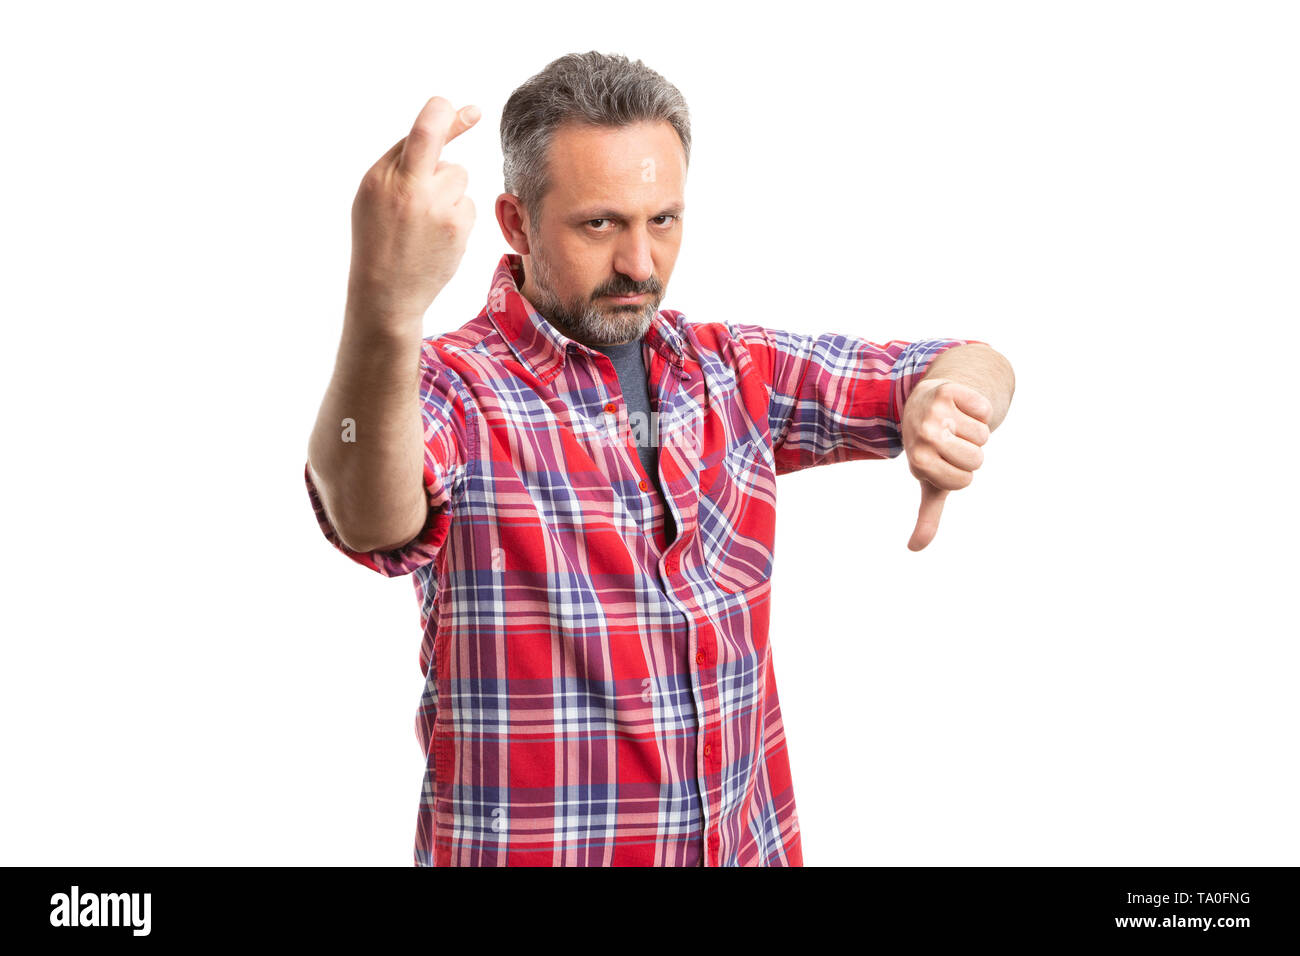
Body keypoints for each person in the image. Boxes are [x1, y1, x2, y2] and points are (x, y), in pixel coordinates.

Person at [304, 51, 1015, 867]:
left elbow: (969, 359)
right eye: (600, 224)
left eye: (663, 220)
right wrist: (385, 304)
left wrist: (949, 400)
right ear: (516, 223)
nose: (641, 265)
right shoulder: (450, 389)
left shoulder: (733, 371)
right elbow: (367, 511)